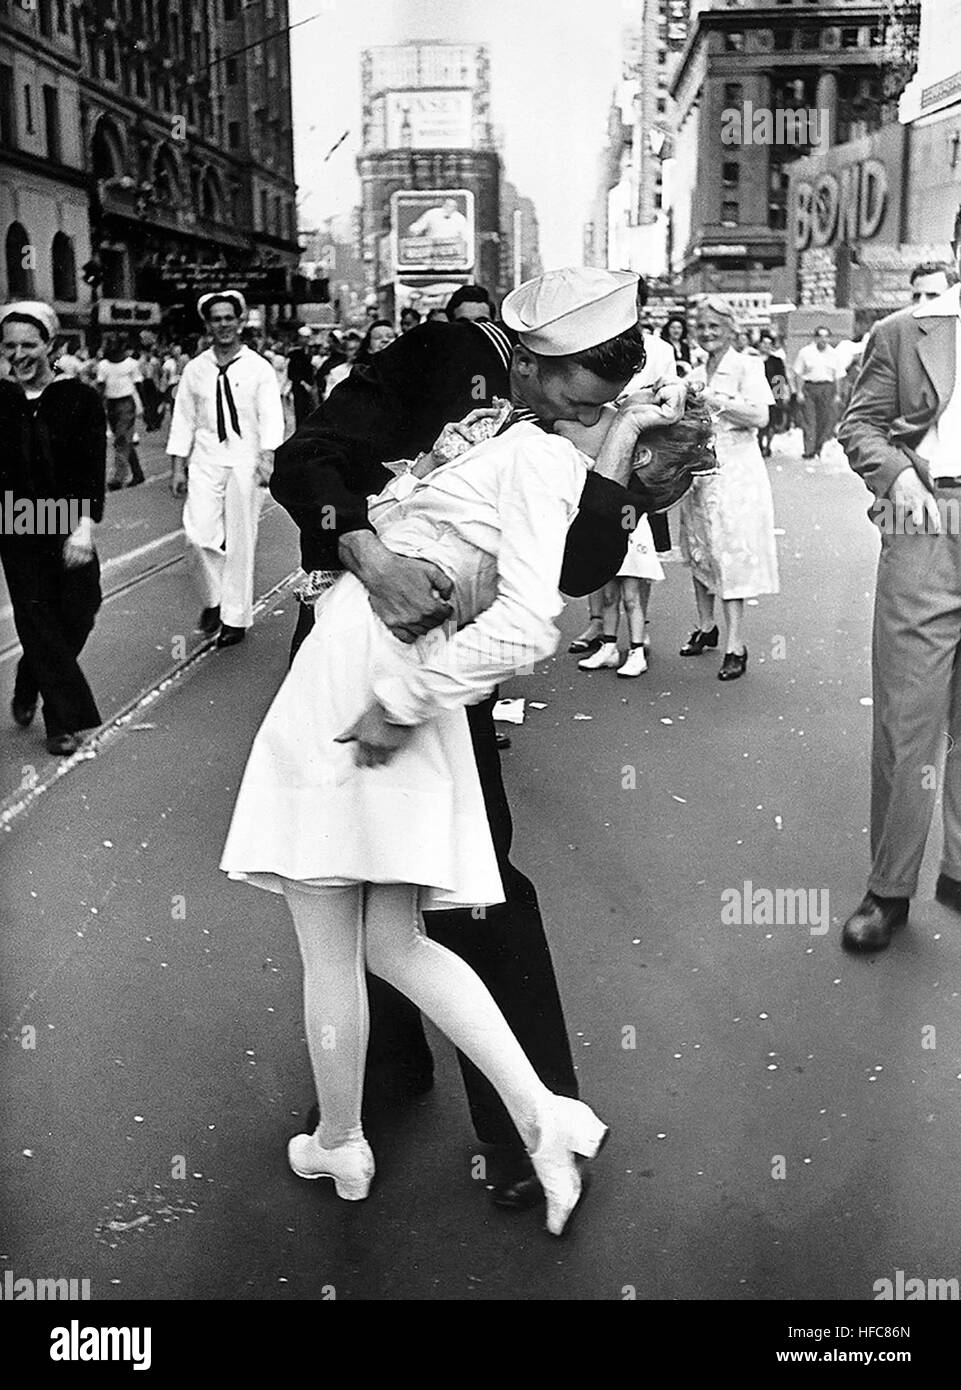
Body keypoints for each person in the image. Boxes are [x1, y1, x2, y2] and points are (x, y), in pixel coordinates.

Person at [222, 268, 699, 1235]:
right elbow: (306, 459)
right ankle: (453, 1105)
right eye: (577, 393)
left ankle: (470, 1126)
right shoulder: (441, 359)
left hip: (412, 669)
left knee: (423, 909)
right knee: (387, 929)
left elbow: (560, 584)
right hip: (390, 637)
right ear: (525, 359)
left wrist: (614, 473)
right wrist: (369, 552)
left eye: (604, 402)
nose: (586, 410)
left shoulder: (575, 439)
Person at [836, 210, 961, 952]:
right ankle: (888, 890)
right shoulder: (904, 333)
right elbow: (860, 426)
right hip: (927, 523)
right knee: (907, 720)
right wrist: (895, 478)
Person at [0, 302, 106, 756]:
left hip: (66, 517)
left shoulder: (78, 399)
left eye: (29, 344)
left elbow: (90, 468)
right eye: (10, 346)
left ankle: (30, 675)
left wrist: (82, 528)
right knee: (37, 618)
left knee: (81, 610)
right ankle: (61, 722)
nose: (19, 354)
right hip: (16, 521)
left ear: (50, 346)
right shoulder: (0, 400)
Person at [568, 277, 679, 657]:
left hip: (638, 464)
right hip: (594, 452)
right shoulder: (587, 346)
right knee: (592, 533)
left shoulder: (660, 350)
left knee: (636, 548)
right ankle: (599, 623)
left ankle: (637, 630)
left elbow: (668, 401)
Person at [167, 291, 285, 648]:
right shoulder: (195, 369)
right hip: (205, 459)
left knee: (240, 541)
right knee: (198, 535)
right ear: (208, 325)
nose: (223, 325)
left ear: (239, 321)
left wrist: (267, 459)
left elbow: (271, 415)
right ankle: (214, 601)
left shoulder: (258, 368)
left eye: (228, 318)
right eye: (216, 319)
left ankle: (234, 618)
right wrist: (177, 467)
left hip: (245, 461)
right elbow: (183, 419)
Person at [566, 399, 714, 677]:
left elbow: (621, 522)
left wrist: (628, 419)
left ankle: (635, 648)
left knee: (630, 597)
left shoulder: (590, 483)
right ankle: (610, 645)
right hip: (614, 542)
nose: (586, 414)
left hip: (630, 547)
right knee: (611, 596)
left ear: (636, 456)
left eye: (607, 415)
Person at [677, 295, 780, 680]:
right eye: (701, 327)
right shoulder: (697, 368)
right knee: (700, 549)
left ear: (732, 330)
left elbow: (760, 415)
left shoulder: (747, 366)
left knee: (731, 552)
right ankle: (707, 626)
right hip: (700, 470)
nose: (707, 333)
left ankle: (736, 644)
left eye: (714, 327)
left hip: (737, 470)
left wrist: (712, 399)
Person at [95, 335, 145, 489]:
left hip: (126, 403)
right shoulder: (103, 365)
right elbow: (101, 386)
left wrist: (142, 405)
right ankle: (137, 473)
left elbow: (139, 384)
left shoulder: (131, 364)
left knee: (122, 440)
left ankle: (118, 477)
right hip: (111, 403)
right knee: (123, 440)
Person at [793, 325, 843, 460]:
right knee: (810, 420)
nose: (823, 339)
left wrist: (838, 394)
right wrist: (799, 392)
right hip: (810, 388)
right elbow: (798, 373)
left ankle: (818, 447)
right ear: (815, 338)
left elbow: (838, 376)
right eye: (820, 336)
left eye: (826, 336)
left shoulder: (834, 354)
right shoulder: (805, 352)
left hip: (827, 389)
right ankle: (809, 449)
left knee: (825, 420)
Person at [756, 330, 788, 458]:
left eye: (769, 344)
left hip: (772, 394)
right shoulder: (752, 360)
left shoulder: (776, 361)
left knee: (771, 422)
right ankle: (759, 443)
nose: (766, 346)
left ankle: (768, 445)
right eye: (764, 343)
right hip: (756, 394)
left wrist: (780, 397)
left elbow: (780, 378)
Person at [287, 328, 318, 427]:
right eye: (303, 338)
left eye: (307, 338)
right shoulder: (295, 354)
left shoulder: (312, 352)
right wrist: (303, 383)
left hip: (311, 388)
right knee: (300, 414)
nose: (305, 340)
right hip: (300, 389)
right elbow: (292, 373)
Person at [323, 329, 362, 399]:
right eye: (351, 349)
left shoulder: (368, 370)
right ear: (345, 351)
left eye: (358, 349)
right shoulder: (336, 372)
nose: (355, 353)